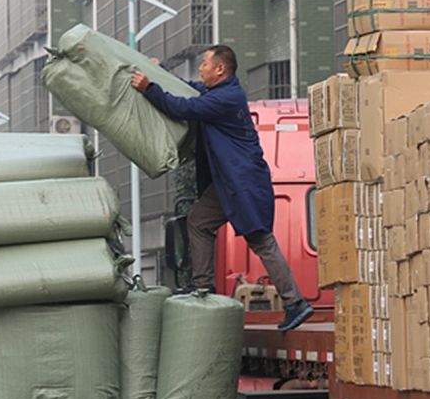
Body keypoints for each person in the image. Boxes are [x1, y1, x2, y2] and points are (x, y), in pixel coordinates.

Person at [131, 45, 315, 331]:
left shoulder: (227, 98)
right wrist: (160, 73)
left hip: (243, 183)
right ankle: (202, 286)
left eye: (204, 63)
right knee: (198, 222)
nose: (201, 68)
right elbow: (190, 89)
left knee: (261, 241)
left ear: (220, 69)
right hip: (229, 182)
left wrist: (149, 89)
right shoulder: (218, 92)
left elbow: (185, 107)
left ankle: (296, 303)